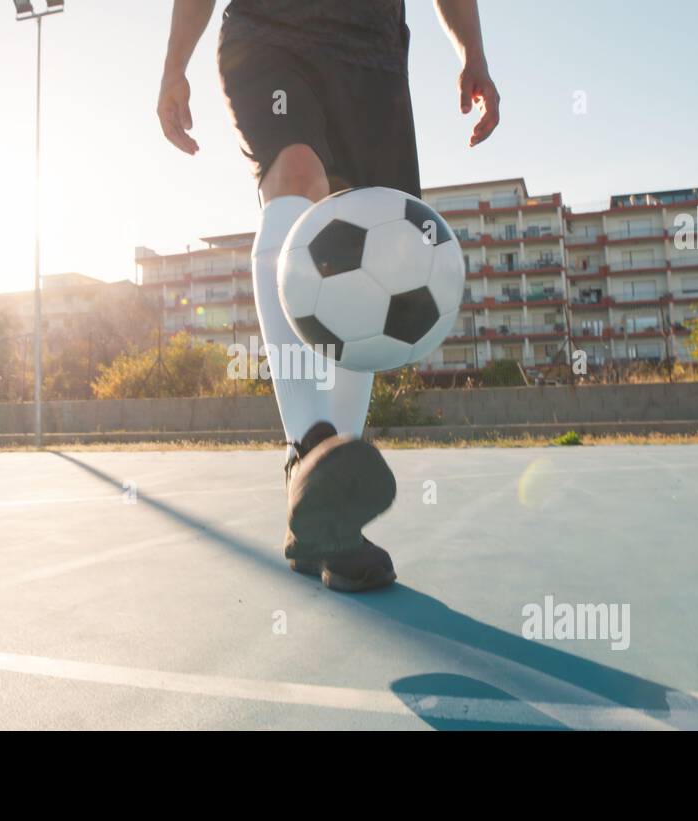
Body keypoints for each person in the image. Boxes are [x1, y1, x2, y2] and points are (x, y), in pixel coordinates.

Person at [157, 0, 499, 592]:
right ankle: (309, 450)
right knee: (293, 177)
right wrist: (173, 64)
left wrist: (473, 52)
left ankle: (328, 516)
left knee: (372, 253)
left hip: (371, 56)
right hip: (270, 32)